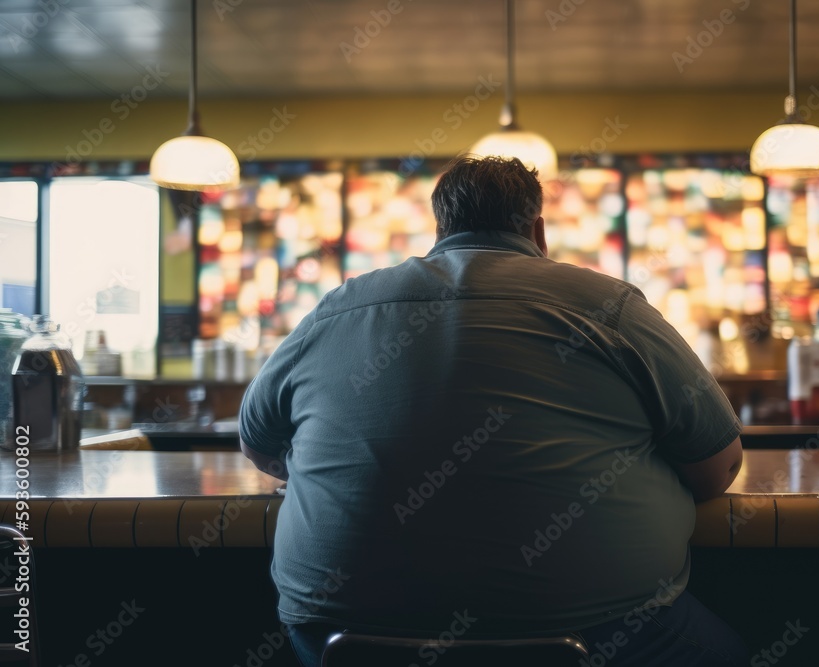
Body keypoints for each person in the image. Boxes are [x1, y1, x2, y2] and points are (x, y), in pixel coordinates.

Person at [239, 155, 747, 666]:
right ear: (538, 231)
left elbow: (258, 444)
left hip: (334, 635)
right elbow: (717, 464)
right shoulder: (609, 306)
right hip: (603, 636)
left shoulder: (339, 307)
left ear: (439, 229)